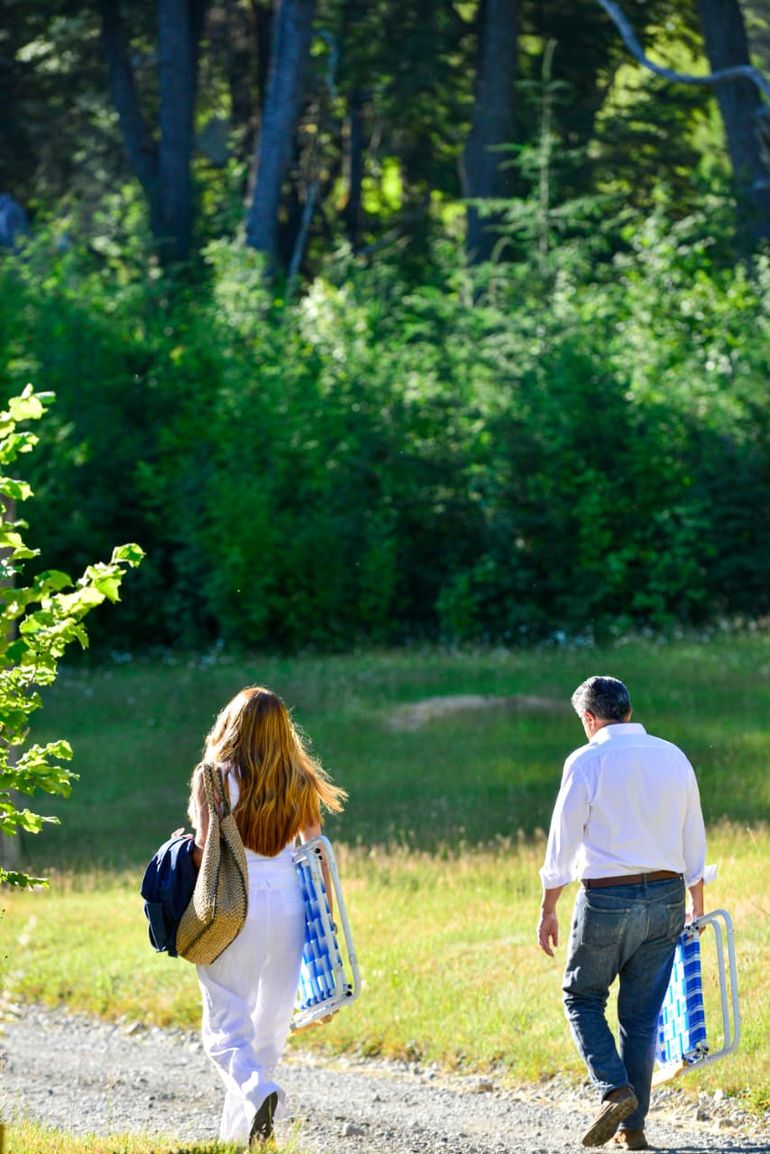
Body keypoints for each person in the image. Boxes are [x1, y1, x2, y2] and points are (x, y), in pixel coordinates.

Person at [537, 676, 706, 1152]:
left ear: (590, 718)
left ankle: (615, 1090)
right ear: (627, 710)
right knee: (641, 1016)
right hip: (669, 896)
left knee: (582, 996)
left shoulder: (586, 759)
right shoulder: (673, 755)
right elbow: (693, 830)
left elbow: (562, 840)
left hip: (607, 898)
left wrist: (549, 905)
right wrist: (697, 897)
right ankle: (635, 1131)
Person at [187, 685, 346, 1149]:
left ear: (231, 724)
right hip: (291, 905)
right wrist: (328, 920)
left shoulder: (214, 777)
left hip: (236, 905)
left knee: (224, 1027)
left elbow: (203, 851)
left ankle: (262, 1093)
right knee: (268, 1031)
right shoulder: (299, 777)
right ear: (284, 730)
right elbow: (317, 852)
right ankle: (245, 1140)